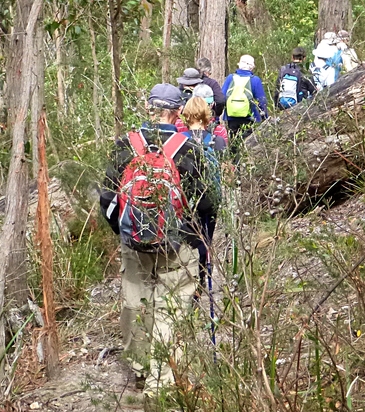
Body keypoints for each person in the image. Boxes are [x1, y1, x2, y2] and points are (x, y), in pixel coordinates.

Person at [99, 83, 216, 395]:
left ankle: (139, 367)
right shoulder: (189, 148)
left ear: (148, 107)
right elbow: (206, 204)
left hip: (132, 243)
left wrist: (125, 233)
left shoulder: (125, 145)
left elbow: (107, 199)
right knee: (171, 308)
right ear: (177, 111)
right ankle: (160, 385)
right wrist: (201, 246)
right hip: (177, 246)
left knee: (135, 302)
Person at [180, 96, 226, 294]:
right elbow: (226, 172)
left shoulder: (179, 142)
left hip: (187, 201)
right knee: (206, 238)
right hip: (212, 200)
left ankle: (192, 283)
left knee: (189, 239)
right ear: (207, 115)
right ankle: (205, 273)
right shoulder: (218, 141)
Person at [221, 54, 268, 140]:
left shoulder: (230, 78)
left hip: (231, 117)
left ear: (239, 64)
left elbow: (222, 97)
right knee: (247, 144)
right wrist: (265, 118)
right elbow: (262, 101)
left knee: (234, 144)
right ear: (251, 67)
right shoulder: (255, 80)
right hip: (249, 118)